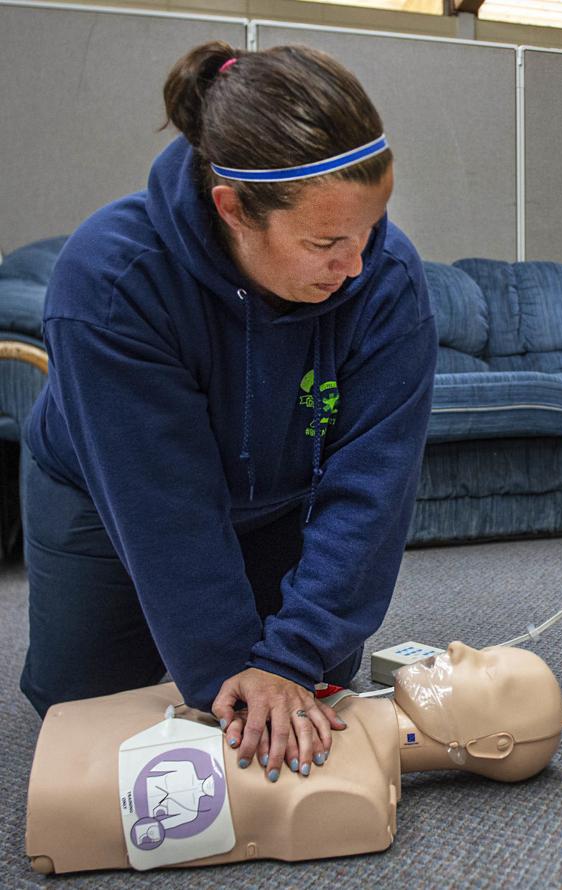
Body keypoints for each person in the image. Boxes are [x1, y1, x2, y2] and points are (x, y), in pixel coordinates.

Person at [19, 41, 437, 786]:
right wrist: (224, 665)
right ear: (234, 209)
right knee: (80, 711)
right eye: (325, 241)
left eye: (370, 229)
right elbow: (164, 506)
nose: (356, 266)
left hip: (279, 493)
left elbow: (373, 487)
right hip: (105, 496)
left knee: (311, 688)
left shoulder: (387, 279)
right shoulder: (111, 281)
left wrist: (289, 657)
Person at [25, 642, 562, 874]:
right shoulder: (344, 706)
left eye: (487, 671)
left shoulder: (355, 798)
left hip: (66, 796)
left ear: (491, 745)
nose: (459, 649)